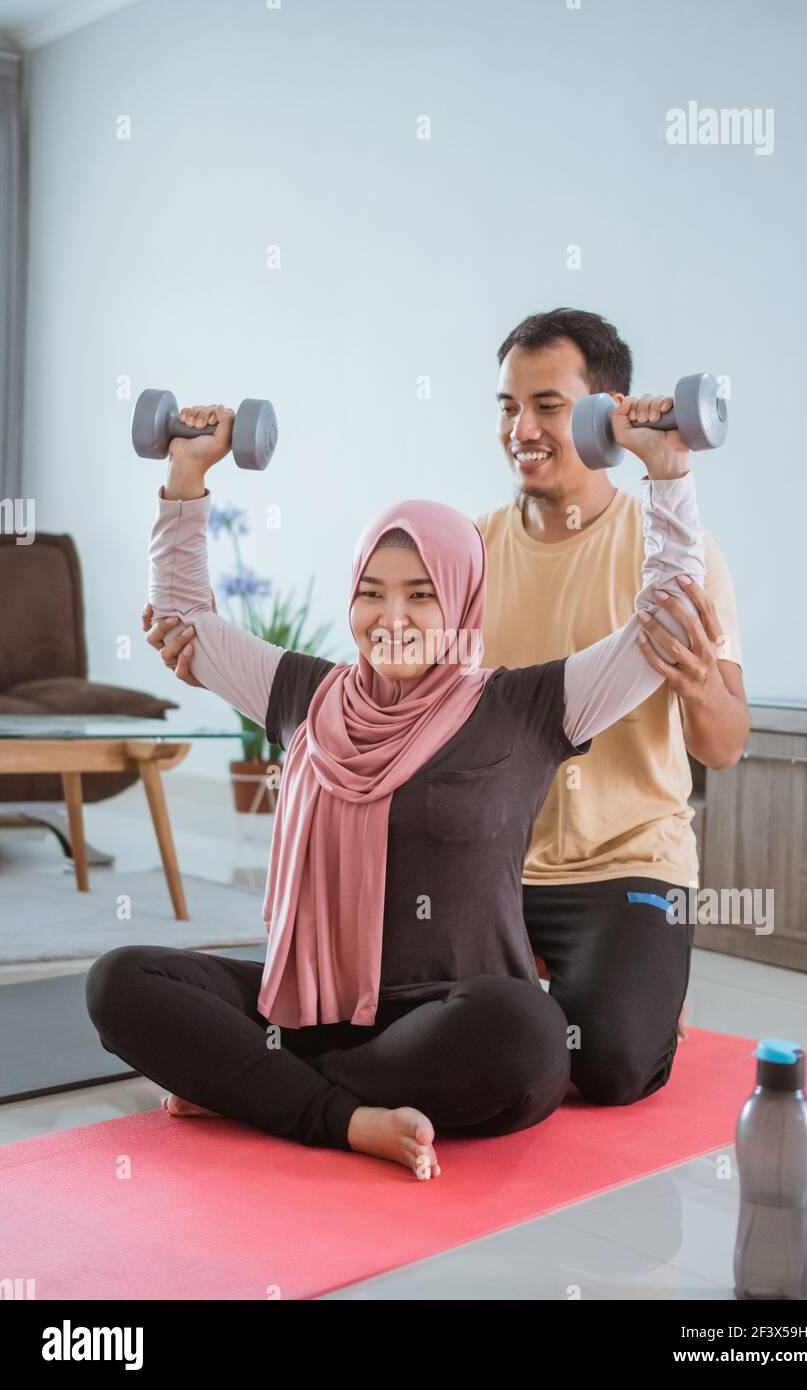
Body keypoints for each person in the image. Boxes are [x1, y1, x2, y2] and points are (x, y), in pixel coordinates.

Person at [107, 390, 705, 1179]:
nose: (394, 616)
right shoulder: (303, 694)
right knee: (120, 981)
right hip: (311, 1013)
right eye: (373, 592)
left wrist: (667, 468)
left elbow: (661, 619)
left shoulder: (525, 707)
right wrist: (187, 473)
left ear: (460, 599)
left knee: (528, 1032)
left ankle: (258, 1089)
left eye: (422, 594)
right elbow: (186, 615)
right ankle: (345, 1116)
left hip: (448, 1023)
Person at [475, 308, 748, 1104]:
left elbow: (725, 746)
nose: (521, 427)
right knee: (406, 1014)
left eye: (548, 406)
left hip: (629, 858)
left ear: (604, 414)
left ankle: (632, 986)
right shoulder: (467, 551)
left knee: (610, 1067)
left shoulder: (673, 550)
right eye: (506, 406)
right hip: (494, 861)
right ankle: (568, 982)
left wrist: (697, 683)